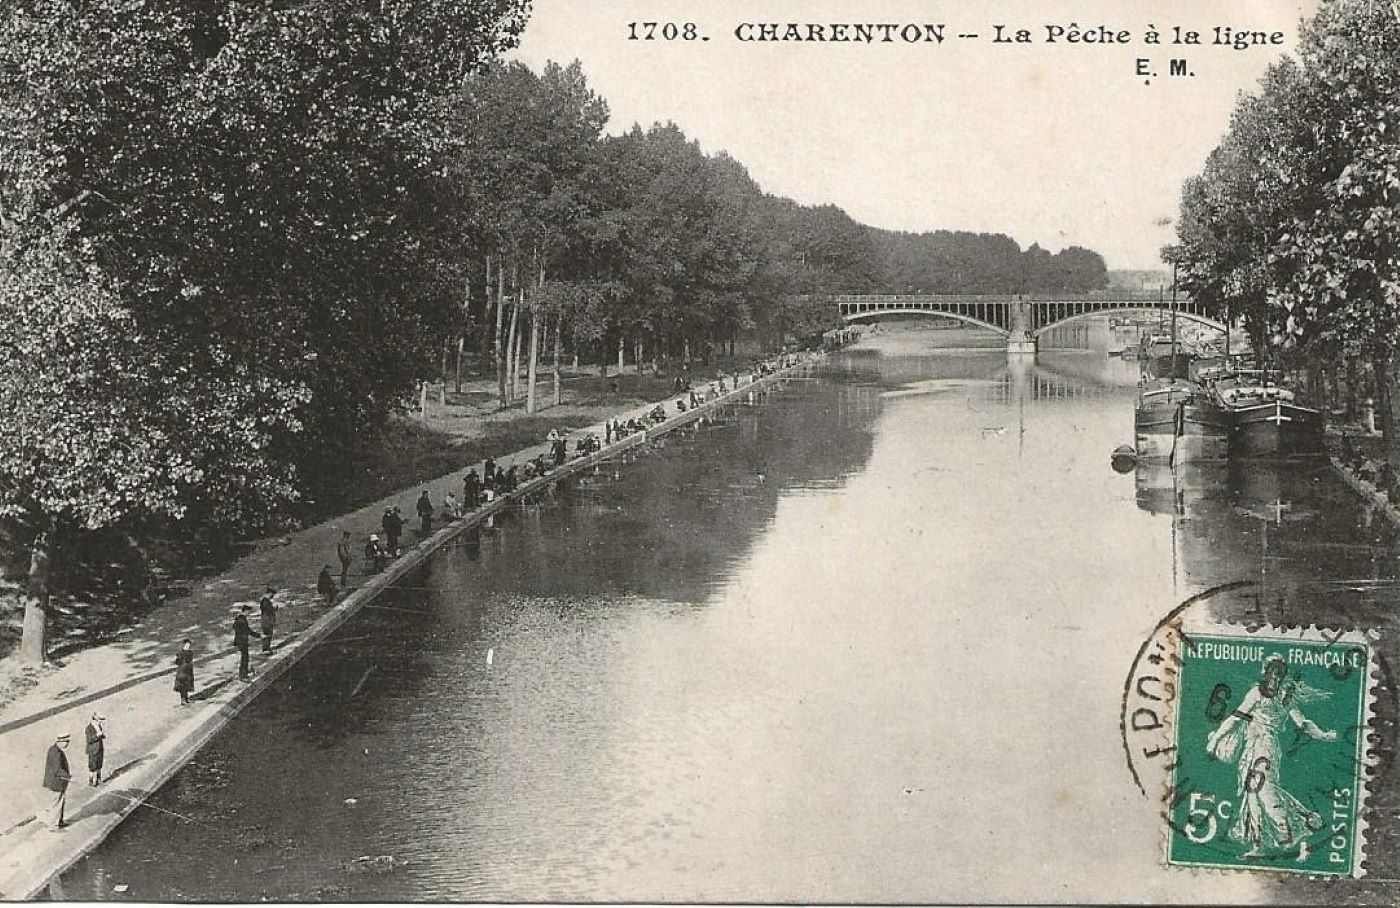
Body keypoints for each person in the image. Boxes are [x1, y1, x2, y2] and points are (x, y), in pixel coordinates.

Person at [1206, 656, 1337, 857]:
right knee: (1252, 797)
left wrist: (1323, 735)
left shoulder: (1274, 697)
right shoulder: (1266, 695)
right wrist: (1215, 740)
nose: (1275, 679)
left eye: (1279, 675)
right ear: (1266, 673)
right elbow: (1235, 719)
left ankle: (1289, 831)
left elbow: (1302, 722)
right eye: (1273, 674)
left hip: (1265, 749)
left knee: (1264, 791)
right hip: (1255, 748)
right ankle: (1259, 845)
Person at [42, 734, 71, 830]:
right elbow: (57, 770)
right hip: (55, 782)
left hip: (59, 782)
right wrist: (69, 777)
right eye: (67, 742)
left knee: (61, 801)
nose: (67, 744)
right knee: (56, 804)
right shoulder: (55, 752)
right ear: (61, 741)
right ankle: (53, 826)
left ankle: (60, 821)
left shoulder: (56, 750)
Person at [233, 605, 260, 681]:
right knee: (245, 657)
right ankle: (242, 675)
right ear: (245, 611)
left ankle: (244, 672)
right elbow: (248, 630)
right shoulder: (241, 619)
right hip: (242, 641)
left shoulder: (240, 618)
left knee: (245, 657)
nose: (249, 613)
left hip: (241, 641)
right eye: (248, 612)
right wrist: (258, 635)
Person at [84, 712, 105, 786]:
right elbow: (89, 739)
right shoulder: (88, 728)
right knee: (92, 766)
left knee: (99, 764)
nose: (101, 721)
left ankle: (99, 779)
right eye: (100, 719)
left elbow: (101, 735)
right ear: (95, 719)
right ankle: (91, 781)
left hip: (100, 748)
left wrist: (102, 735)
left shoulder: (99, 726)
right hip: (93, 750)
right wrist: (97, 735)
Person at [174, 639, 195, 705]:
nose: (188, 646)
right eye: (186, 645)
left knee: (187, 685)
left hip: (188, 671)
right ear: (184, 645)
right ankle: (183, 700)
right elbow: (177, 662)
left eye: (189, 645)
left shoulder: (190, 652)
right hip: (181, 671)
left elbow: (190, 660)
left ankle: (186, 698)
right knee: (182, 685)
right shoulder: (180, 652)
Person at [259, 588, 277, 653]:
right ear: (269, 593)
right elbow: (268, 610)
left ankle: (267, 648)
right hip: (267, 620)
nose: (273, 596)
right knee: (267, 634)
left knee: (268, 634)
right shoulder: (265, 601)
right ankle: (266, 649)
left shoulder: (265, 601)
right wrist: (274, 608)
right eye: (272, 594)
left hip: (267, 620)